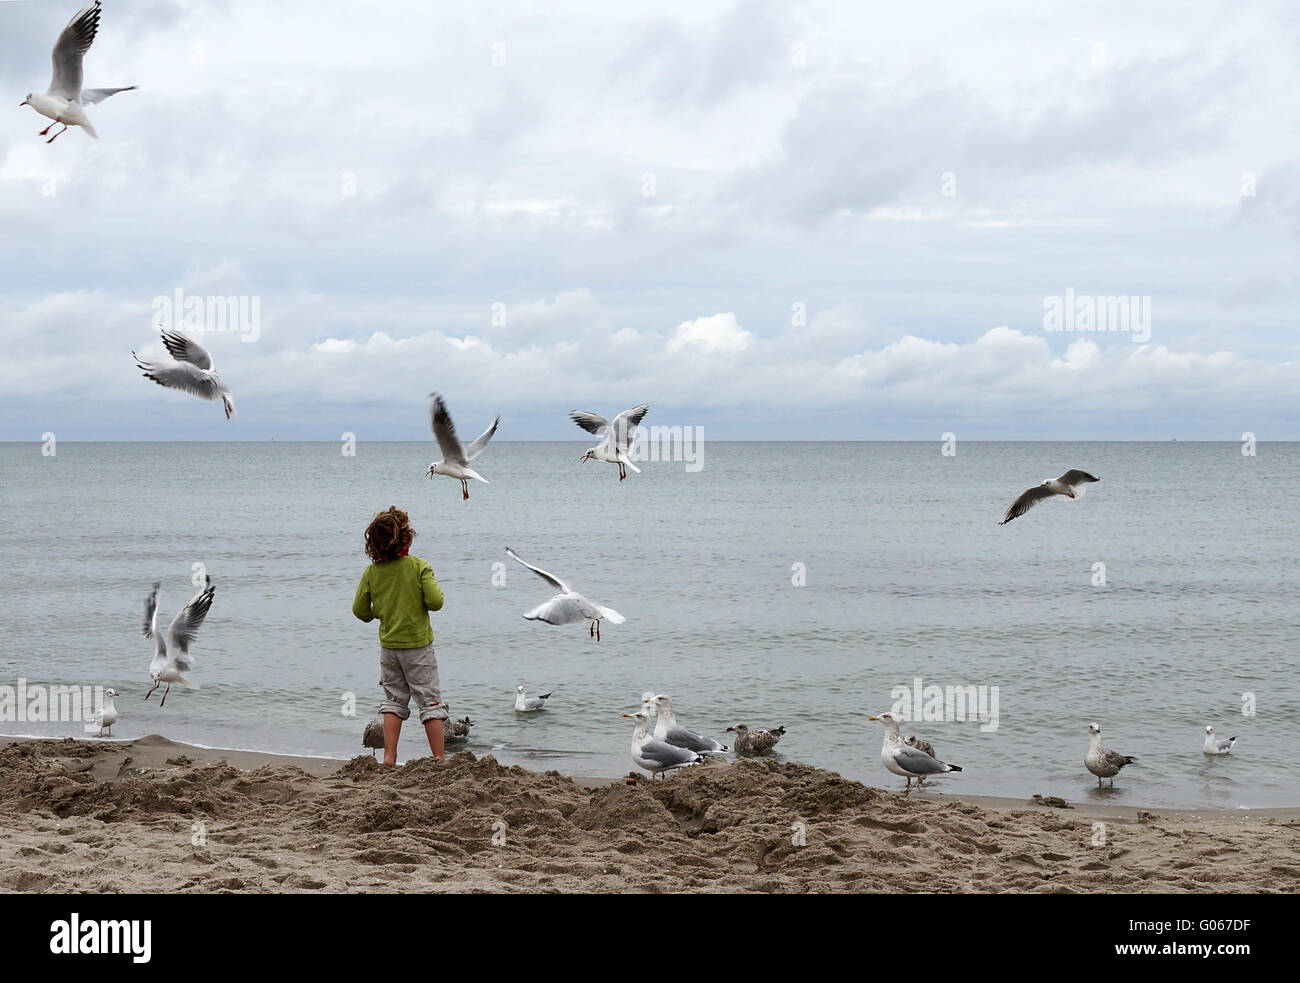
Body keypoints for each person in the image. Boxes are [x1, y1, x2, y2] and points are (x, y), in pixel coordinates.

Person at [351, 506, 446, 765]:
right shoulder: (419, 567)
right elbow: (436, 602)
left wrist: (375, 614)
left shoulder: (372, 572)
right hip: (418, 647)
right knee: (430, 702)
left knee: (393, 701)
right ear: (407, 538)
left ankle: (389, 756)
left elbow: (359, 609)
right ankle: (438, 758)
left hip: (389, 648)